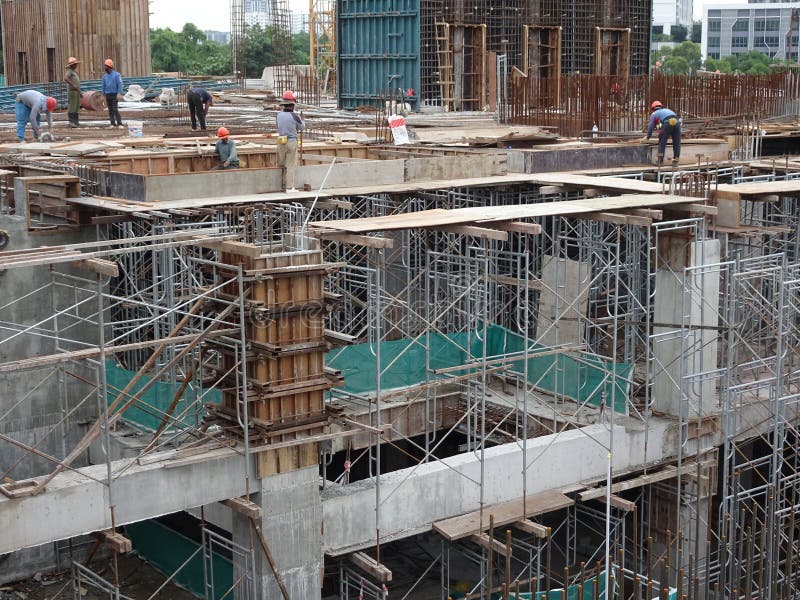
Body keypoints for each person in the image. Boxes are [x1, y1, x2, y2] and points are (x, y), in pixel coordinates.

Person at [276, 90, 305, 192]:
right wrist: (302, 119)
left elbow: (278, 127)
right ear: (292, 105)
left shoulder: (278, 115)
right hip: (291, 141)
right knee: (290, 165)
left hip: (281, 141)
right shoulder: (295, 116)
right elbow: (302, 128)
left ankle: (280, 185)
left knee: (281, 164)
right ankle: (290, 187)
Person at [644, 100, 681, 167]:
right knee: (677, 143)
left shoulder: (654, 114)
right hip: (677, 123)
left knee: (662, 142)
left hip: (667, 122)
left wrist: (648, 136)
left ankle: (660, 161)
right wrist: (660, 131)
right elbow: (660, 125)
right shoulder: (667, 110)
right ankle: (676, 162)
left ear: (653, 109)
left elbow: (650, 126)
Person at [102, 58, 123, 128]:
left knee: (115, 109)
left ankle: (119, 123)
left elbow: (120, 84)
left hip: (115, 95)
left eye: (106, 66)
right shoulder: (104, 76)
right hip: (108, 95)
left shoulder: (117, 75)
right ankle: (112, 123)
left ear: (109, 67)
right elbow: (103, 86)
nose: (105, 68)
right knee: (110, 110)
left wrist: (119, 93)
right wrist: (103, 95)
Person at [64, 57, 81, 127]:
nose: (76, 65)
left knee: (76, 106)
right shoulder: (69, 71)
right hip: (72, 91)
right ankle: (71, 122)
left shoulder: (73, 71)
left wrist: (79, 92)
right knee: (72, 106)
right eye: (75, 64)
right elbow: (66, 78)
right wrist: (73, 84)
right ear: (72, 65)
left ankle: (76, 121)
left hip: (76, 91)